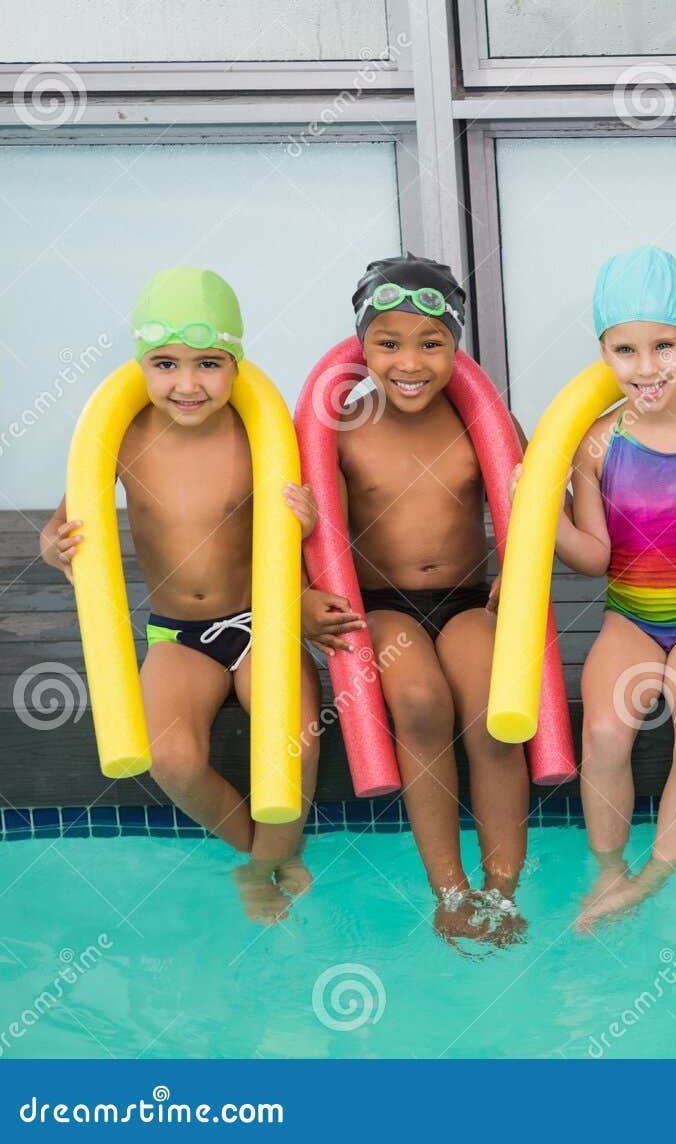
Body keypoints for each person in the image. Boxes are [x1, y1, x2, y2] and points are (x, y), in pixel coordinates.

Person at [41, 267, 321, 925]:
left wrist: (306, 525)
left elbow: (309, 534)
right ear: (140, 363)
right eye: (165, 363)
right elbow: (64, 530)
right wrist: (54, 550)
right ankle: (258, 853)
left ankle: (274, 856)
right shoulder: (123, 436)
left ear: (236, 363)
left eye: (209, 364)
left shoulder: (260, 434)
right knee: (169, 758)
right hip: (178, 631)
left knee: (297, 740)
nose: (187, 383)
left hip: (263, 622)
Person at [306, 254, 529, 950]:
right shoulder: (338, 427)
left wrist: (518, 571)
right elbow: (299, 533)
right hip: (381, 604)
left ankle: (501, 889)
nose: (410, 362)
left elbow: (532, 508)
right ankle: (451, 890)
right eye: (389, 343)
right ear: (361, 346)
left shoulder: (486, 423)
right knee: (424, 703)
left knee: (494, 711)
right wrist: (303, 598)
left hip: (464, 598)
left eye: (431, 343)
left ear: (456, 346)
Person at [554, 246, 676, 933]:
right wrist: (547, 517)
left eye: (664, 345)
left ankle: (656, 873)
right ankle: (609, 868)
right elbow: (595, 557)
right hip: (631, 614)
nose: (647, 366)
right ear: (603, 352)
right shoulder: (597, 443)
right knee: (604, 731)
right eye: (625, 348)